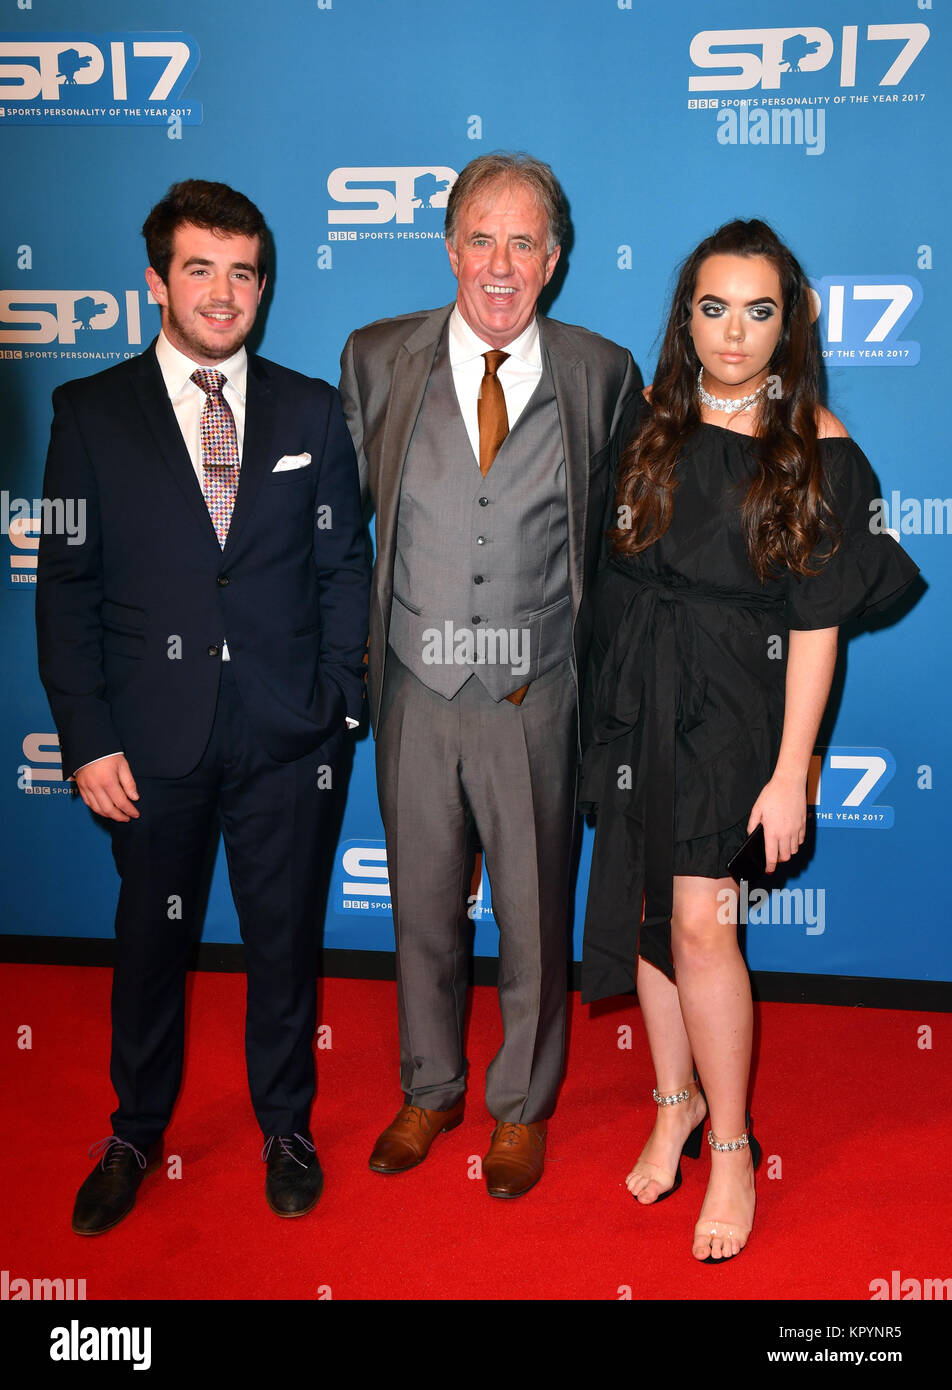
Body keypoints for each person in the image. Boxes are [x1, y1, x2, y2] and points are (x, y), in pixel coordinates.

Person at [35, 179, 370, 1233]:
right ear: (155, 283)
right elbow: (65, 585)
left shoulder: (312, 407)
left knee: (283, 942)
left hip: (287, 738)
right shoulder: (87, 414)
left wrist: (339, 703)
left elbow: (342, 567)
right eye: (199, 269)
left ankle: (286, 1124)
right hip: (150, 742)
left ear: (262, 286)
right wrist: (86, 737)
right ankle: (135, 1129)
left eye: (242, 272)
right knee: (151, 945)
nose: (223, 294)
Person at [579, 219, 917, 1260]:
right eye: (714, 307)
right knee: (649, 914)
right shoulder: (649, 422)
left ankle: (730, 1145)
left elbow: (818, 626)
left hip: (737, 711)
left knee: (700, 927)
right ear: (687, 316)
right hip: (635, 695)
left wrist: (790, 773)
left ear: (791, 320)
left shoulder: (816, 446)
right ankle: (672, 1100)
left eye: (758, 309)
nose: (734, 332)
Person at [339, 152, 637, 1197]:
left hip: (534, 689)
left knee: (533, 910)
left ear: (552, 261)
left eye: (523, 242)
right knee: (421, 907)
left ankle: (520, 1104)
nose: (499, 264)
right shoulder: (377, 359)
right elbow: (339, 533)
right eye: (481, 238)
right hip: (415, 688)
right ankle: (429, 1087)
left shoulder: (601, 372)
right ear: (449, 246)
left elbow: (621, 544)